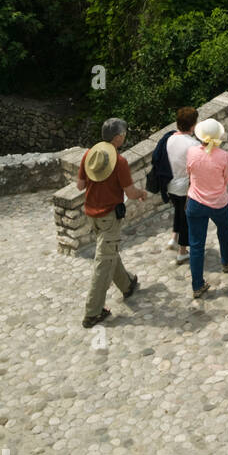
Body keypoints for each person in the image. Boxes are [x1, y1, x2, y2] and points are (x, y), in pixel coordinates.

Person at [76, 117, 148, 329]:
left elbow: (80, 186)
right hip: (109, 216)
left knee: (109, 251)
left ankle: (127, 284)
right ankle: (92, 312)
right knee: (103, 262)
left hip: (91, 213)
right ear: (118, 137)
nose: (124, 137)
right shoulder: (120, 161)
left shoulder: (89, 155)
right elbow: (130, 192)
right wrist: (142, 193)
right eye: (123, 135)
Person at [185, 118, 228, 299]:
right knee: (225, 231)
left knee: (196, 245)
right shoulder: (223, 156)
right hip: (218, 202)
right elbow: (226, 179)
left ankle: (197, 285)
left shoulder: (192, 152)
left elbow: (189, 172)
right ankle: (227, 261)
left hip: (195, 202)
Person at [166, 107, 200, 267]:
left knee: (178, 211)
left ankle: (174, 237)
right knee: (187, 219)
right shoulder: (193, 144)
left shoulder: (170, 139)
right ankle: (182, 252)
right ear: (193, 125)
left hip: (170, 185)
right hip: (184, 187)